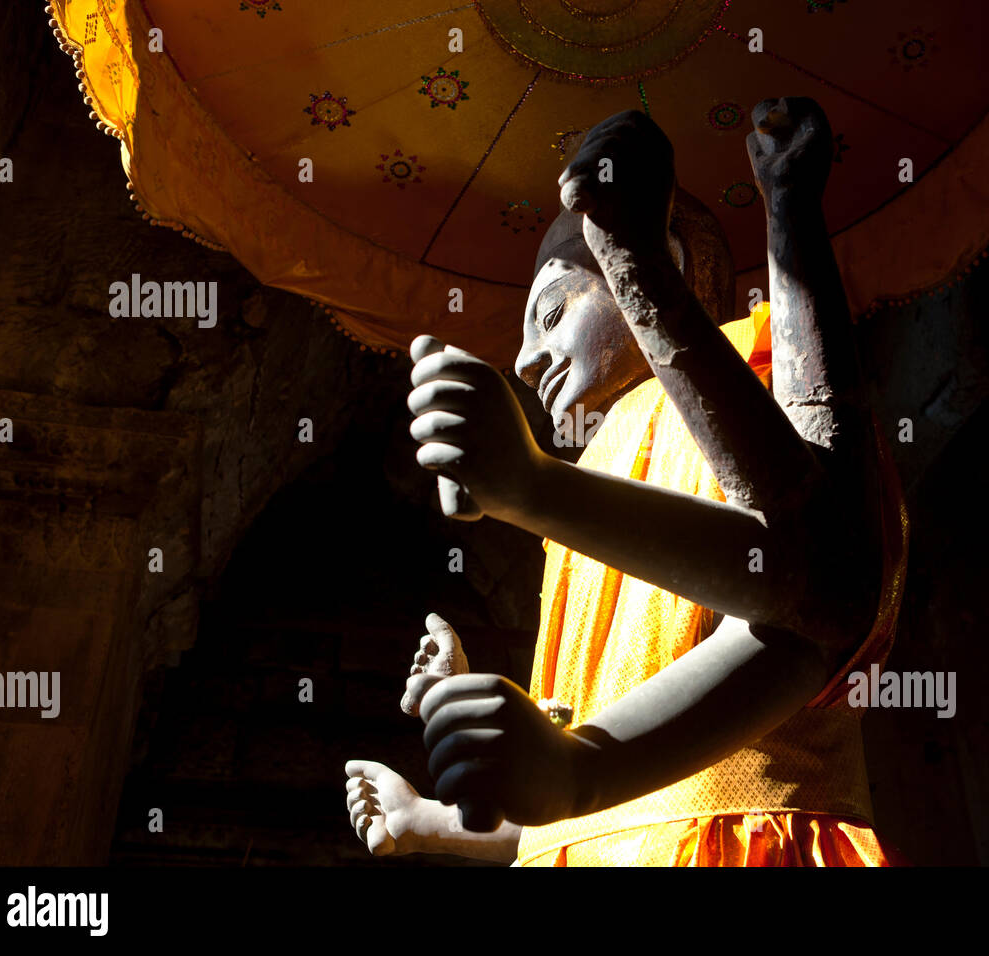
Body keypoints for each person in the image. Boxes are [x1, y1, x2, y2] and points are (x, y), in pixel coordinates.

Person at [345, 97, 908, 866]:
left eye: (551, 312)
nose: (525, 361)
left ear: (665, 257)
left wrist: (641, 274)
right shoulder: (593, 483)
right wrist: (440, 817)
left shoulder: (753, 363)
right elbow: (586, 808)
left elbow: (822, 588)